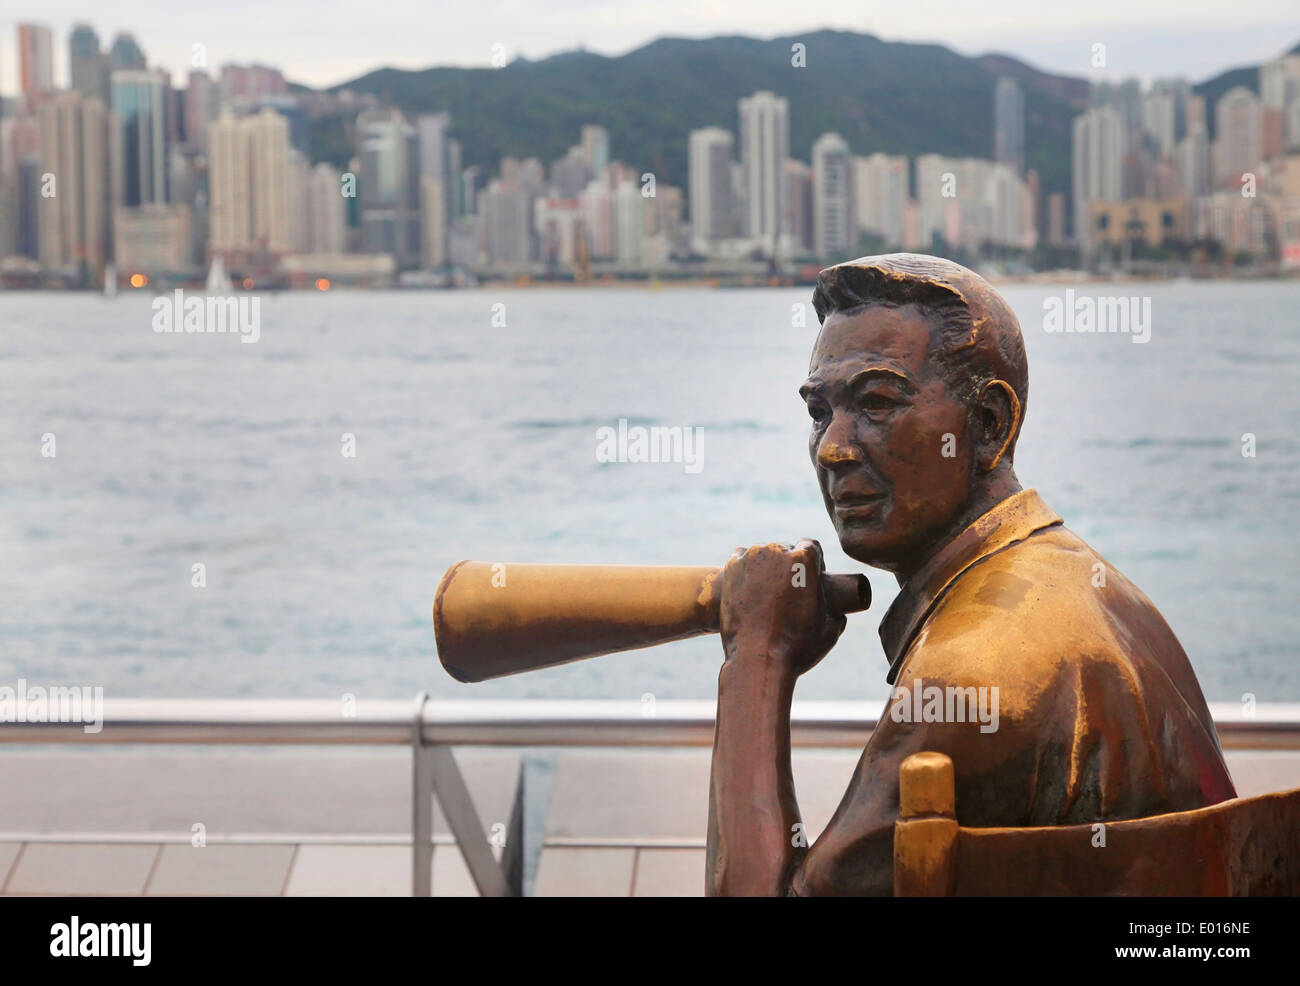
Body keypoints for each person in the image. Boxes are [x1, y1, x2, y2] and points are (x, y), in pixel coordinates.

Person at [706, 253, 1236, 896]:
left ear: (988, 426)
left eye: (876, 402)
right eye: (820, 411)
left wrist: (756, 657)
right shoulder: (1093, 589)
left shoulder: (974, 671)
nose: (832, 448)